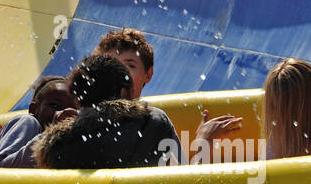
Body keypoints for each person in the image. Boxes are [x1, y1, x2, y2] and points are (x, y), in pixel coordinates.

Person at [92, 28, 238, 162]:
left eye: (130, 66)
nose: (120, 73)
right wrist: (204, 141)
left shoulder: (152, 123)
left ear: (148, 74)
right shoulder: (153, 122)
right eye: (111, 65)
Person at [34, 55, 182, 168]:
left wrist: (53, 130)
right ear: (124, 91)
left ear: (77, 98)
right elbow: (179, 179)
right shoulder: (153, 121)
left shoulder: (58, 146)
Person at [0, 75, 78, 167]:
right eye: (54, 105)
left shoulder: (65, 142)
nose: (62, 112)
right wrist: (50, 135)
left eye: (71, 108)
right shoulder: (28, 122)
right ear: (34, 109)